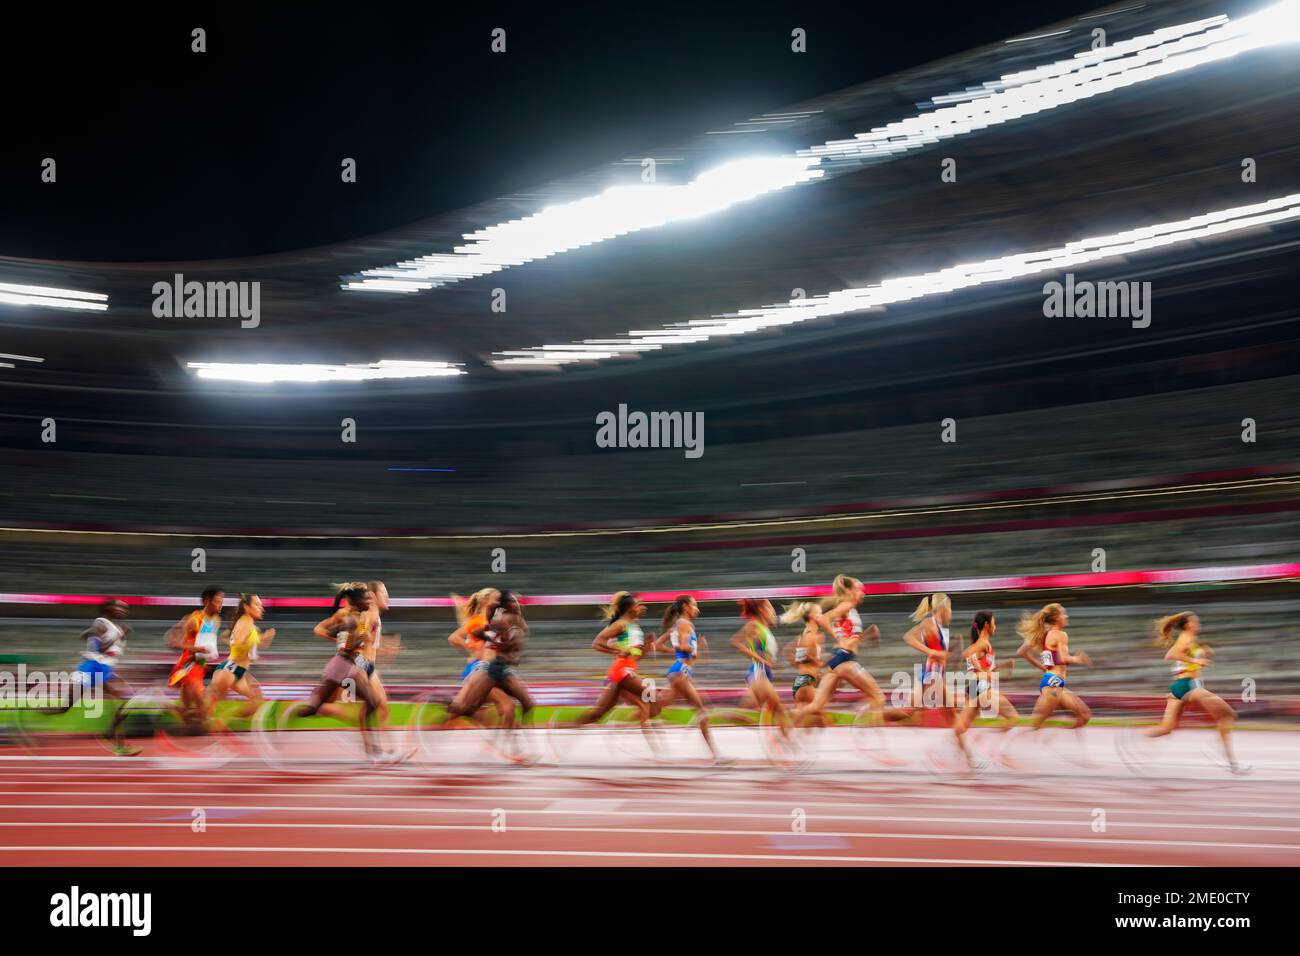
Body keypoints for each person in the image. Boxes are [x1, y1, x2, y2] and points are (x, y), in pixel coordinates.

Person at [1146, 611, 1241, 772]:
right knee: (1228, 715)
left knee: (1166, 729)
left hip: (1179, 687)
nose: (1199, 624)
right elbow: (1171, 654)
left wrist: (1202, 653)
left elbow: (1182, 658)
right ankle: (1226, 757)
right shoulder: (1186, 638)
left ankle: (1135, 738)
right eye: (1196, 622)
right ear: (1189, 625)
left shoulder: (1189, 640)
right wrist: (1196, 660)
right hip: (1189, 686)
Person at [207, 593, 276, 723]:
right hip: (230, 670)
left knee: (257, 701)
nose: (262, 608)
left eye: (261, 605)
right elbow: (237, 644)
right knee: (210, 709)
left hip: (238, 671)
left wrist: (264, 639)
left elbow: (245, 643)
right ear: (246, 607)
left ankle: (228, 717)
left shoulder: (250, 624)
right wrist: (262, 639)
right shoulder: (245, 622)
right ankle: (215, 719)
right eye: (257, 605)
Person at [167, 587, 225, 725]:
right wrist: (196, 649)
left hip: (199, 666)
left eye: (222, 601)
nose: (221, 605)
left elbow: (207, 644)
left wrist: (207, 657)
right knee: (202, 709)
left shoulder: (216, 621)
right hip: (188, 666)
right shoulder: (194, 620)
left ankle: (159, 704)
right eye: (217, 601)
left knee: (185, 711)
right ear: (206, 601)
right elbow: (172, 641)